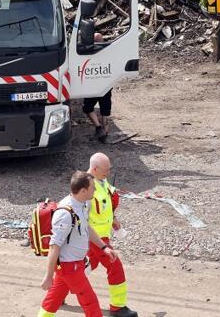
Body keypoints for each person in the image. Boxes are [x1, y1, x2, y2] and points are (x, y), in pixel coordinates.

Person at [38, 171, 117, 317]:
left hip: (74, 264)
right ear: (83, 191)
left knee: (53, 300)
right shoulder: (65, 214)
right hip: (69, 267)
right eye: (92, 187)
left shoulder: (83, 204)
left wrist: (104, 247)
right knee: (90, 302)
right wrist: (48, 276)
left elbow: (86, 227)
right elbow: (54, 247)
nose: (95, 189)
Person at [86, 153, 137, 317]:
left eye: (109, 169)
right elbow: (82, 216)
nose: (108, 172)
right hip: (95, 237)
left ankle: (59, 289)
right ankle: (117, 307)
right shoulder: (86, 187)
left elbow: (105, 204)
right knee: (115, 267)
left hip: (101, 235)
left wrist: (113, 219)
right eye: (106, 170)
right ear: (95, 169)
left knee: (85, 266)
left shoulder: (101, 180)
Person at [83, 33, 112, 143]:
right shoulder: (109, 52)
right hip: (105, 86)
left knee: (88, 108)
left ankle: (99, 129)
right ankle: (104, 134)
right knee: (105, 111)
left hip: (93, 86)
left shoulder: (88, 52)